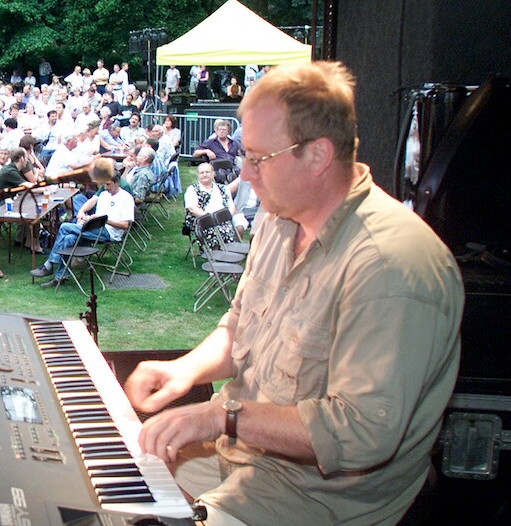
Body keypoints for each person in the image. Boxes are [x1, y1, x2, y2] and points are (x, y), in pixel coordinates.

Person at [123, 61, 462, 525]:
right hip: (242, 457)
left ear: (318, 155)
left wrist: (222, 415)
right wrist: (185, 370)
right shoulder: (280, 219)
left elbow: (359, 432)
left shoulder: (391, 266)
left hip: (317, 500)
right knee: (108, 480)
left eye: (258, 158)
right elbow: (240, 324)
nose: (243, 172)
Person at [30, 172, 133, 288]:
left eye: (108, 184)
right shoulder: (103, 194)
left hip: (109, 232)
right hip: (95, 227)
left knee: (64, 227)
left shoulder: (126, 198)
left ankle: (49, 264)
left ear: (117, 182)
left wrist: (104, 220)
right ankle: (60, 277)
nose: (106, 187)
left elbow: (125, 225)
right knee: (68, 239)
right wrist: (85, 216)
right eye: (104, 184)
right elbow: (92, 204)